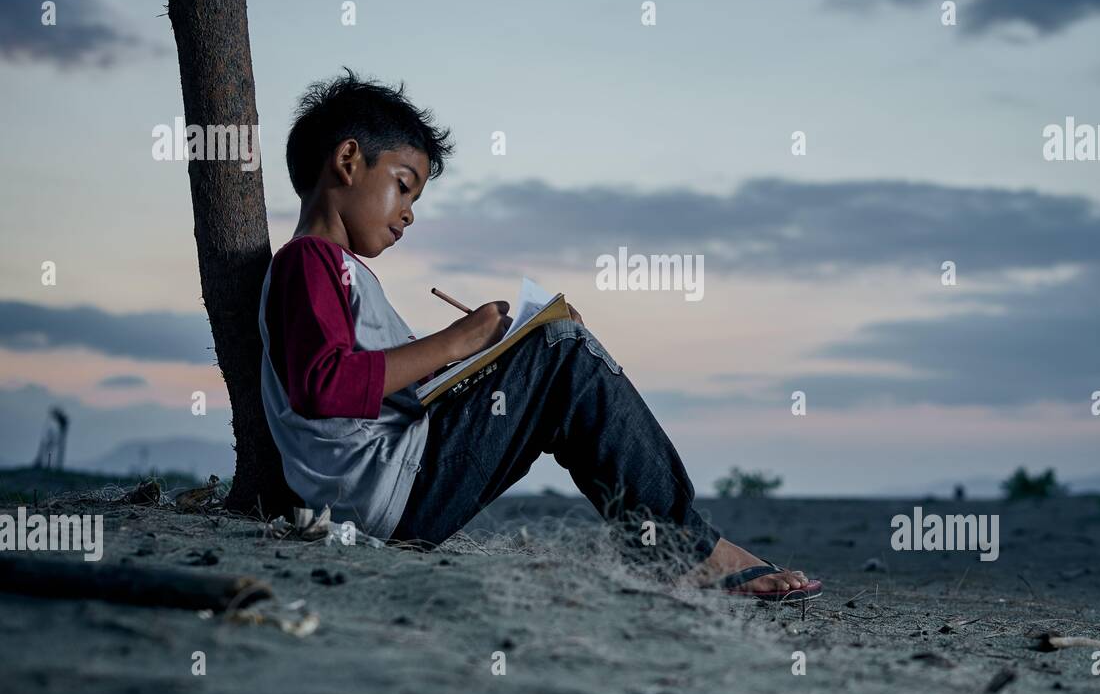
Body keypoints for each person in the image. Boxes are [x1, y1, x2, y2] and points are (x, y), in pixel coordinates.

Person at [257, 67, 819, 602]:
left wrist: (503, 348)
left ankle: (679, 546)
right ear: (349, 160)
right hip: (387, 490)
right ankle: (685, 553)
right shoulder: (307, 262)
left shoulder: (339, 272)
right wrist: (458, 340)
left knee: (555, 352)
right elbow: (322, 386)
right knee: (565, 355)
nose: (408, 215)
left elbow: (390, 387)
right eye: (403, 188)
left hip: (394, 486)